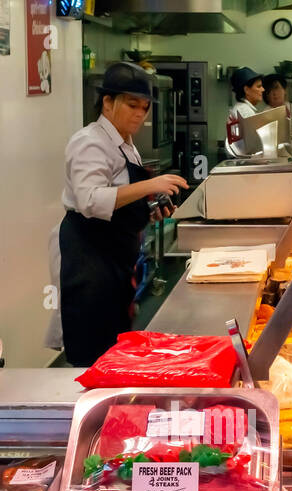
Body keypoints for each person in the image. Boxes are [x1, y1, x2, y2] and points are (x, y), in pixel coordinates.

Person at [49, 62, 189, 365]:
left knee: (115, 341)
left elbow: (118, 200)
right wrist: (150, 184)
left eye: (145, 107)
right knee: (92, 344)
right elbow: (89, 199)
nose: (140, 113)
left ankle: (111, 405)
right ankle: (85, 409)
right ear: (107, 102)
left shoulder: (125, 144)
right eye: (132, 104)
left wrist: (147, 211)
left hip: (115, 253)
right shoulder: (89, 142)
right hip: (90, 254)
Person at [225, 67, 264, 157]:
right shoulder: (244, 111)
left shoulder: (242, 108)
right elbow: (254, 144)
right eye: (259, 86)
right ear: (247, 90)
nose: (263, 89)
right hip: (244, 161)